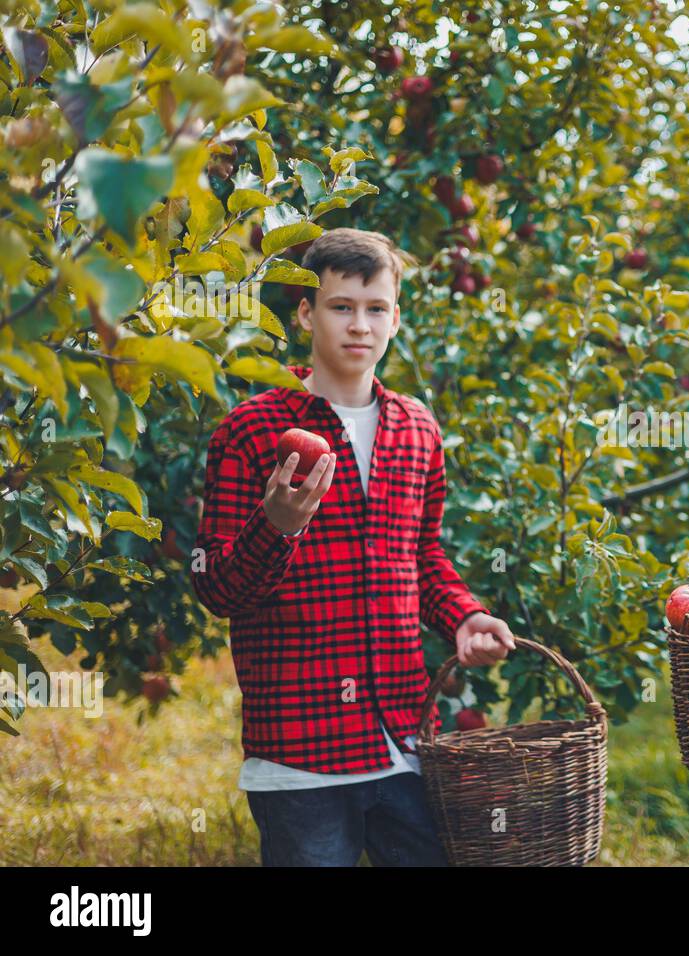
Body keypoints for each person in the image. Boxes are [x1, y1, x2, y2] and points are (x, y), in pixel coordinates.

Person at [191, 227, 515, 866]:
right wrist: (276, 526)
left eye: (375, 309)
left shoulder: (417, 427)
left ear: (395, 317)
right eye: (341, 307)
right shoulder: (253, 430)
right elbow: (215, 587)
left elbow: (422, 560)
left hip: (403, 736)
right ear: (306, 314)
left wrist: (465, 616)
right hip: (300, 750)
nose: (359, 325)